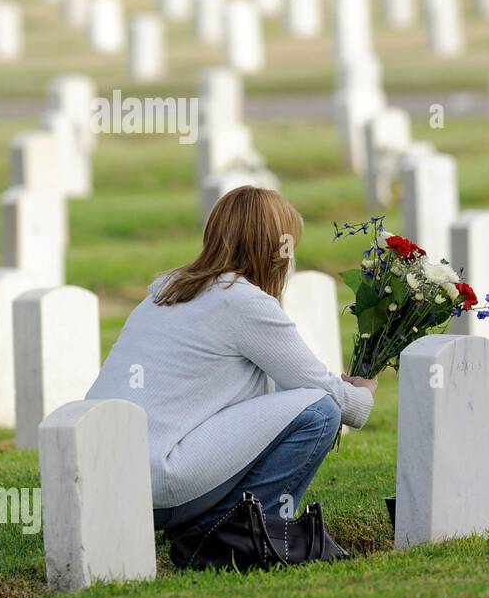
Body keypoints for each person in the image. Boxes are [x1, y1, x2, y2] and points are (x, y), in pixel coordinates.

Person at [87, 186, 376, 546]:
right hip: (157, 485)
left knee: (310, 404)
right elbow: (319, 390)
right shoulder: (240, 301)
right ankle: (241, 533)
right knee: (321, 412)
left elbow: (284, 393)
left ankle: (222, 524)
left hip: (100, 481)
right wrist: (362, 395)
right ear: (275, 250)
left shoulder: (166, 292)